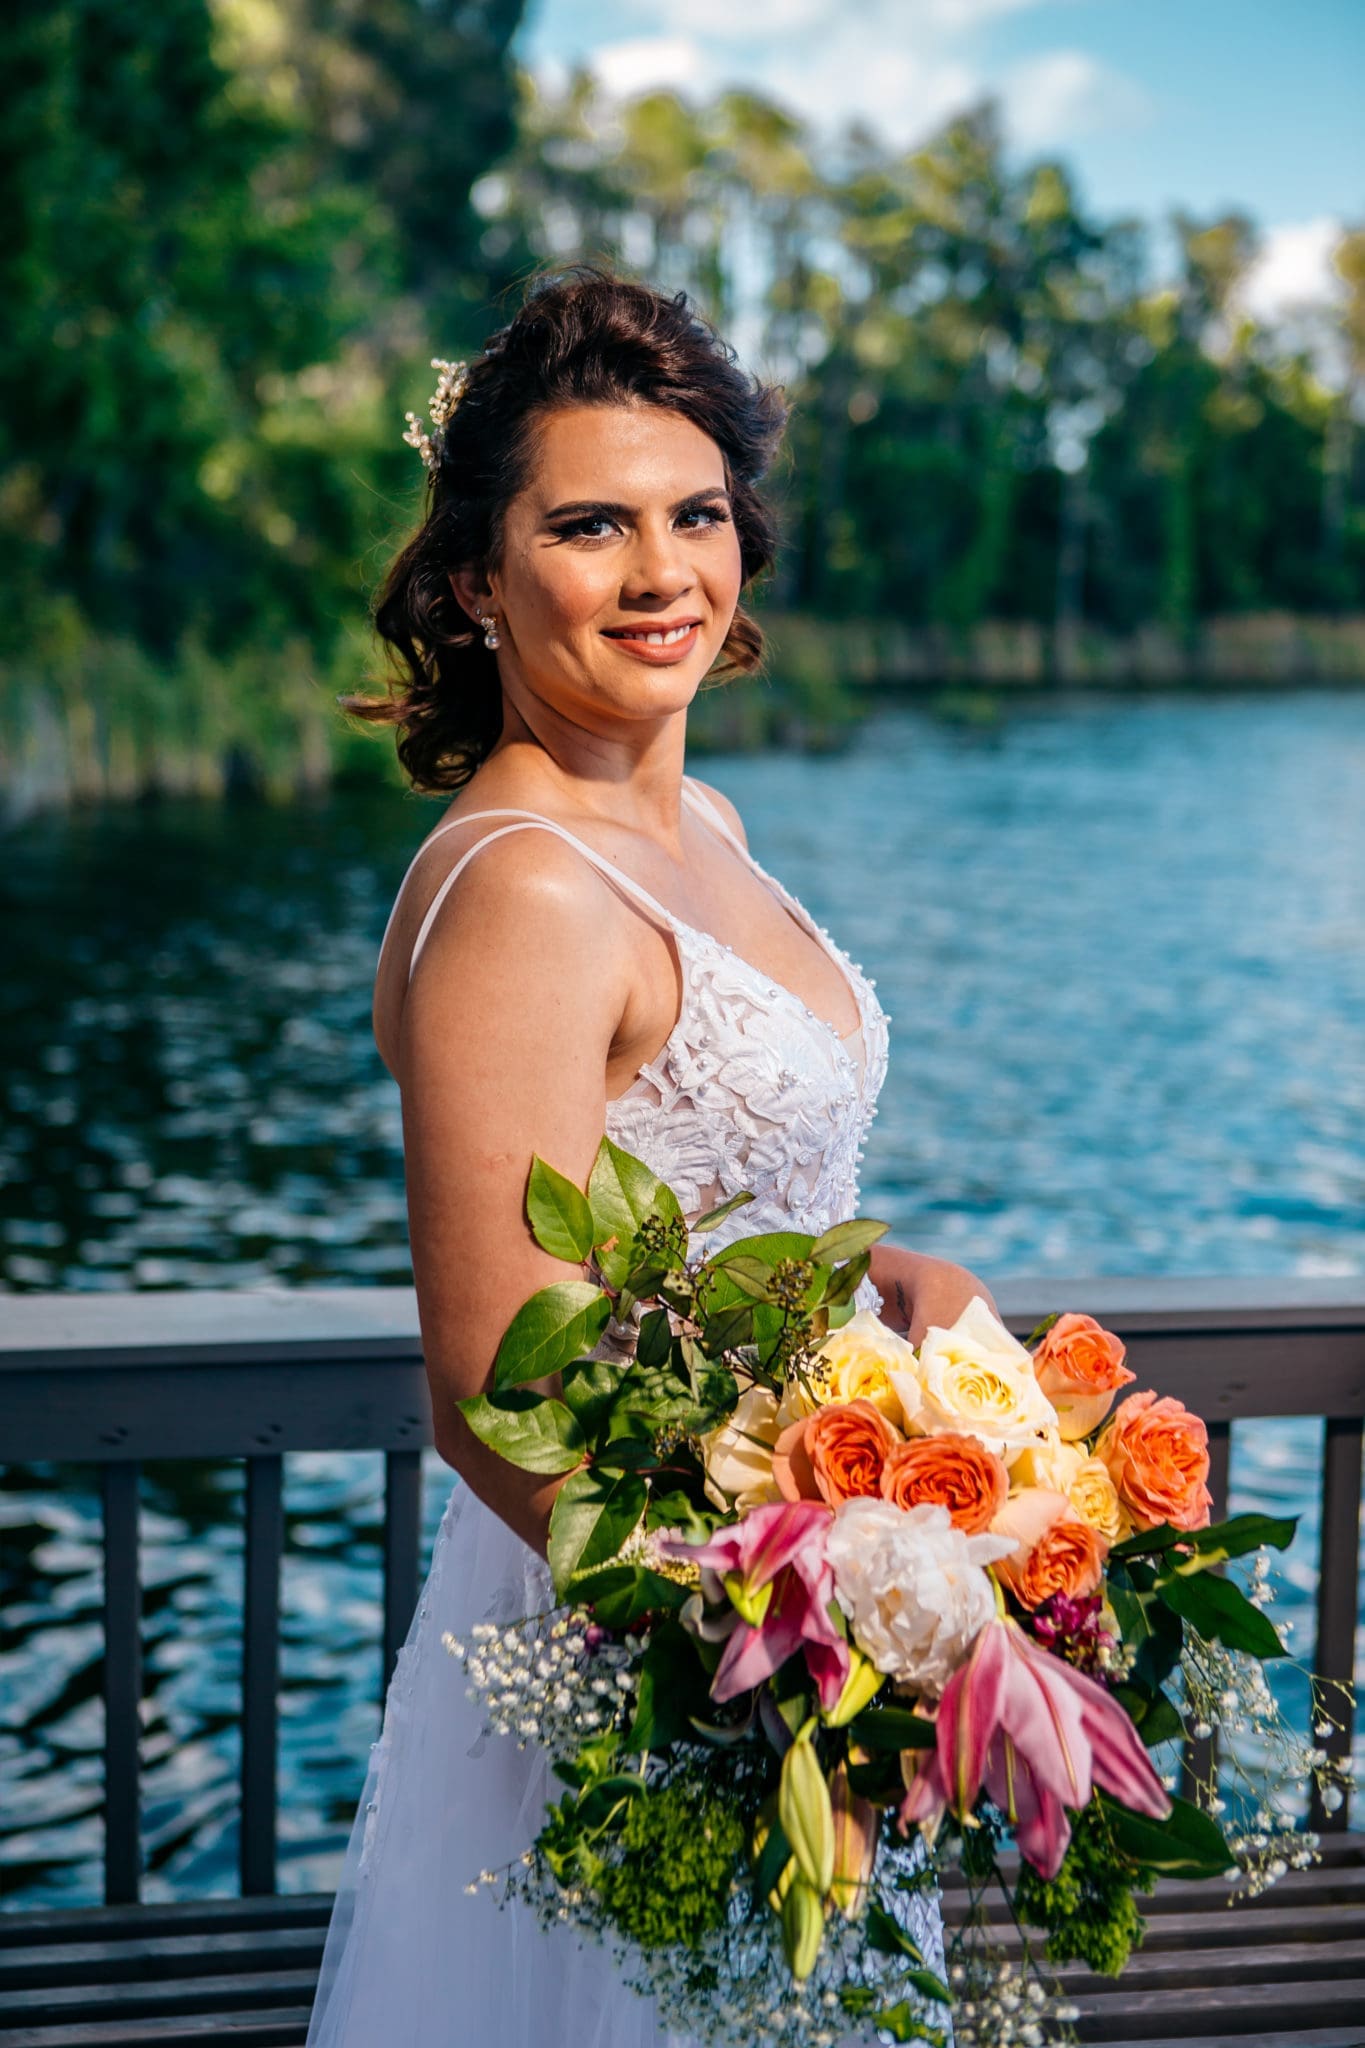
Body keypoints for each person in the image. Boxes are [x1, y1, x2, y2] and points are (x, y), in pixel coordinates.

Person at [306, 264, 996, 2045]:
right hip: (649, 1647)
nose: (660, 572)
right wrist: (774, 1680)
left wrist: (882, 1279)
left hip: (798, 1579)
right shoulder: (527, 889)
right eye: (590, 526)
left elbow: (715, 1222)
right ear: (476, 578)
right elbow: (488, 1393)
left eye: (695, 515)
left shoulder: (704, 824)